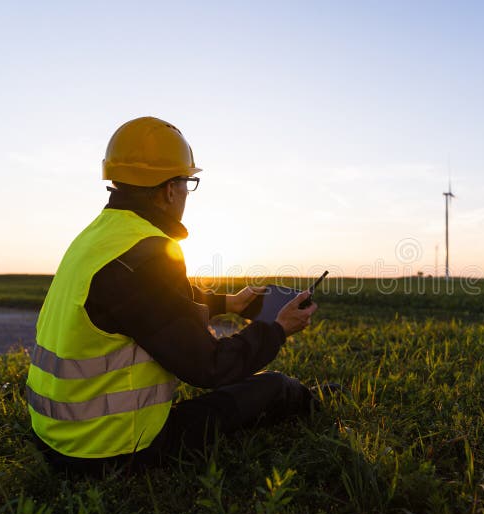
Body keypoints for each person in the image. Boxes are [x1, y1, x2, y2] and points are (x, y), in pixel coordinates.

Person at [26, 116, 319, 473]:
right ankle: (313, 400)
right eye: (188, 183)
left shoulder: (98, 238)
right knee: (274, 388)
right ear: (169, 189)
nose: (186, 194)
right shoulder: (149, 256)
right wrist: (278, 329)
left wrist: (228, 303)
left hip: (54, 436)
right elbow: (210, 366)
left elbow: (149, 304)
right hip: (109, 451)